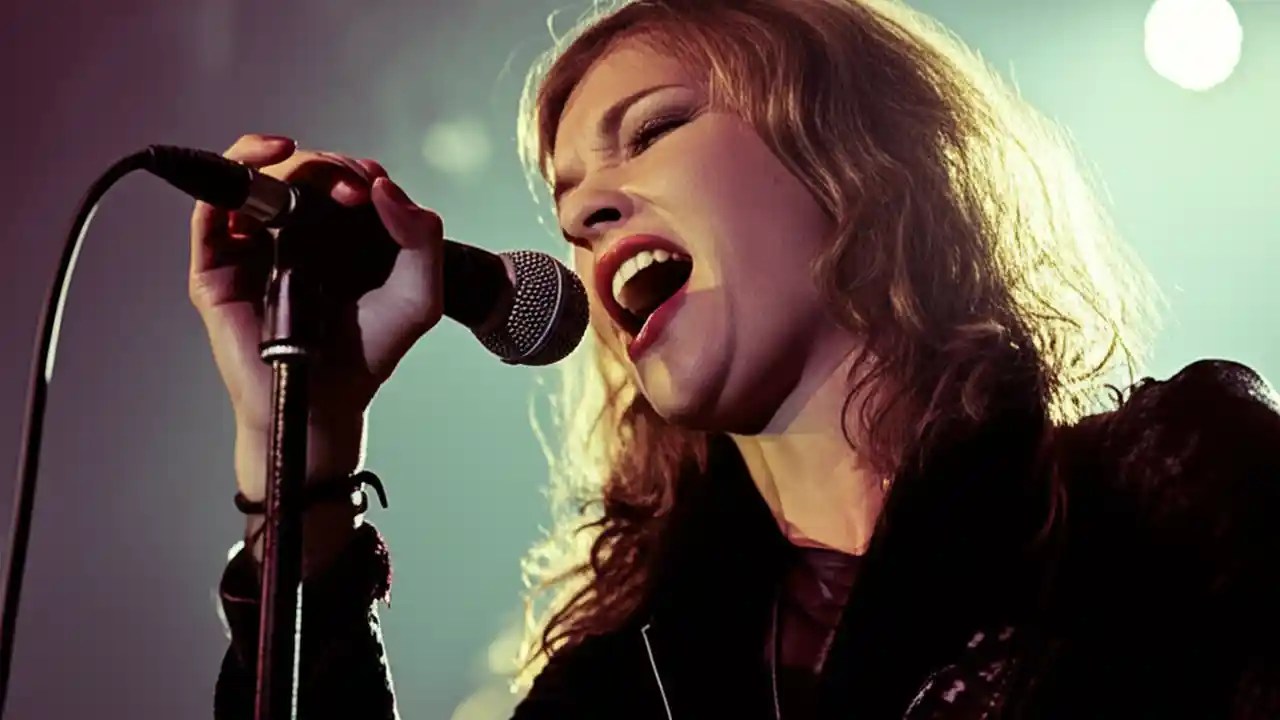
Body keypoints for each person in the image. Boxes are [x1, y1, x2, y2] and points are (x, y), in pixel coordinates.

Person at [192, 1, 1280, 718]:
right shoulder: (622, 690)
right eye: (569, 215)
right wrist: (303, 454)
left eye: (652, 129)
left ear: (852, 156)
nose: (589, 213)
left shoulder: (1167, 502)